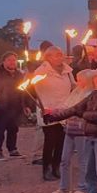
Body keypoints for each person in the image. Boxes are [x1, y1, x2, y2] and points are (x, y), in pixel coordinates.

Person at [51, 69, 96, 193]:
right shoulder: (76, 92)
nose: (77, 81)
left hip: (82, 130)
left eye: (80, 79)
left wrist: (64, 111)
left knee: (83, 160)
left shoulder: (91, 94)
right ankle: (64, 187)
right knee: (65, 159)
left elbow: (76, 109)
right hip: (70, 128)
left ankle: (83, 187)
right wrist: (56, 111)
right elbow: (67, 105)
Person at [33, 46, 75, 182]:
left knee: (61, 142)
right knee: (50, 140)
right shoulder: (41, 71)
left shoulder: (68, 71)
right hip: (48, 110)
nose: (59, 57)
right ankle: (46, 169)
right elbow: (33, 87)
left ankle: (56, 167)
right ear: (48, 57)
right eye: (56, 55)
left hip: (64, 110)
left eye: (60, 54)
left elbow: (73, 85)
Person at [0, 52, 26, 160]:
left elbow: (23, 90)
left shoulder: (19, 74)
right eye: (9, 60)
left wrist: (24, 105)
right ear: (4, 61)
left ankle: (12, 149)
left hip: (15, 105)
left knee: (13, 129)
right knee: (0, 129)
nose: (12, 62)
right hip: (0, 105)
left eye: (14, 60)